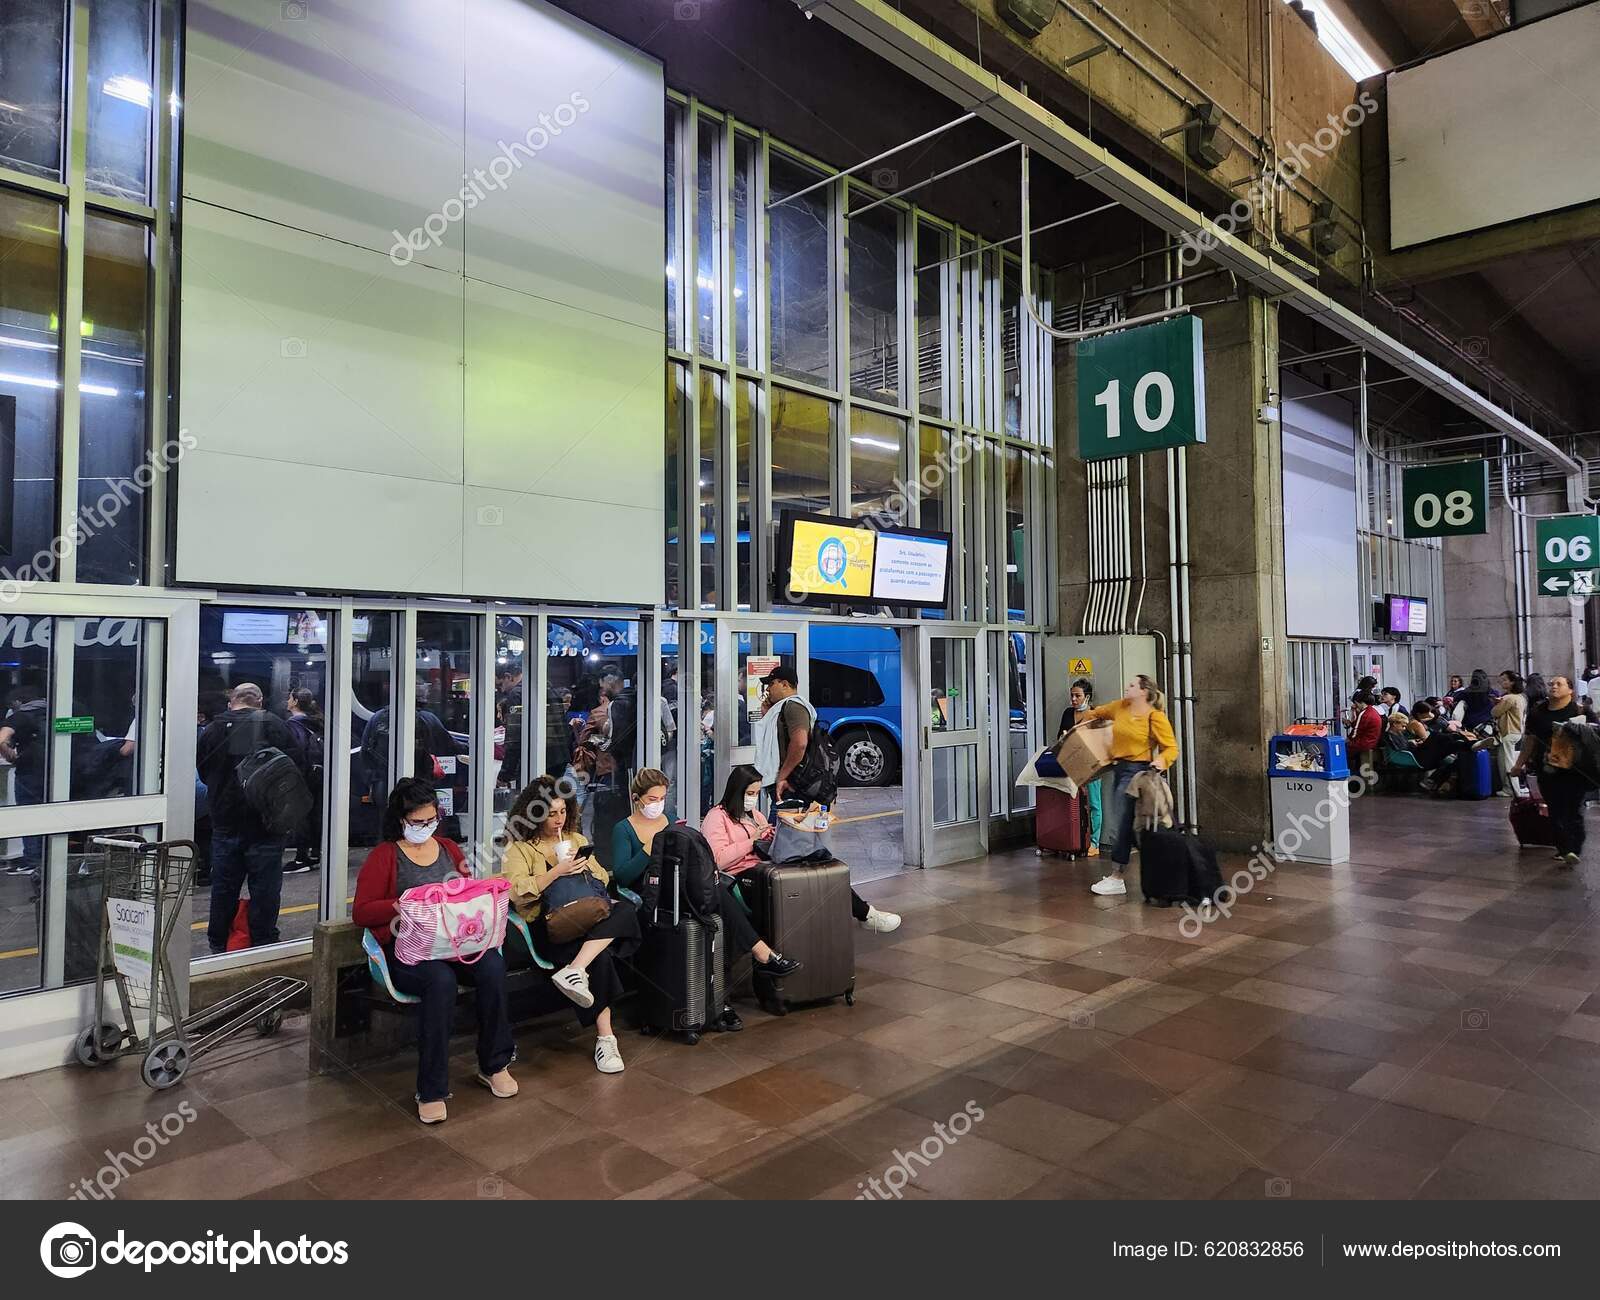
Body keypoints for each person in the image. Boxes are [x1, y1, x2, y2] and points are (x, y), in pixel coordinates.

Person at [351, 778, 516, 1123]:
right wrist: (403, 905)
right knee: (439, 983)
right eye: (417, 822)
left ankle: (495, 1063)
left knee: (492, 967)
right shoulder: (386, 856)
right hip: (409, 950)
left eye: (431, 821)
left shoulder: (447, 848)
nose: (425, 828)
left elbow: (465, 892)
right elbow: (362, 912)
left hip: (453, 943)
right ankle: (431, 1089)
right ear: (401, 820)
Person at [502, 776, 639, 1073]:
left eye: (563, 811)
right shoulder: (521, 848)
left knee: (626, 910)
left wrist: (586, 866)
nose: (558, 819)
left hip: (586, 914)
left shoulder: (575, 839)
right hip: (547, 924)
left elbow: (603, 878)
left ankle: (575, 971)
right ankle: (606, 1038)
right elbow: (514, 891)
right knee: (599, 955)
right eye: (551, 813)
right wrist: (556, 872)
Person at [752, 668, 901, 932]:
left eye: (771, 684)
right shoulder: (783, 709)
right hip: (795, 794)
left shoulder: (793, 707)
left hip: (796, 794)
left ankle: (864, 914)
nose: (767, 689)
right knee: (793, 854)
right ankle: (852, 914)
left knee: (809, 856)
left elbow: (798, 743)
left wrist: (784, 775)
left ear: (784, 684)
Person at [195, 683, 305, 952]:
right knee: (265, 889)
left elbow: (203, 769)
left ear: (231, 701)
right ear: (260, 701)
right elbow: (296, 767)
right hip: (267, 823)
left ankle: (218, 942)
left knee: (223, 888)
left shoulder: (213, 729)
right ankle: (263, 940)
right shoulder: (276, 726)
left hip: (225, 823)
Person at [1079, 675, 1179, 897]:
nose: (1127, 687)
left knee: (1122, 824)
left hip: (1138, 772)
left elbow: (1171, 747)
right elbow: (1095, 713)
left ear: (1144, 691)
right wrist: (1084, 719)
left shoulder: (1155, 716)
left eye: (1133, 685)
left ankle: (1118, 876)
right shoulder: (1120, 707)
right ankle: (1163, 869)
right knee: (1134, 827)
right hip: (1119, 769)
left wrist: (1161, 761)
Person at [0, 670, 49, 878]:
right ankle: (50, 858)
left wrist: (12, 756)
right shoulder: (59, 709)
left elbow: (1, 739)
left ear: (19, 702)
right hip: (59, 772)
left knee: (29, 815)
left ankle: (32, 861)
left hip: (29, 772)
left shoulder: (21, 716)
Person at [1515, 674, 1591, 807]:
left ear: (1570, 690)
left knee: (1574, 813)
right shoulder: (1538, 712)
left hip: (1574, 771)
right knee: (1553, 811)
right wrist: (1518, 764)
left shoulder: (1580, 711)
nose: (1554, 687)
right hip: (1546, 770)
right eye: (1551, 684)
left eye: (1559, 684)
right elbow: (1530, 739)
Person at [1058, 677, 1102, 858]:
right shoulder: (1068, 713)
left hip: (1092, 765)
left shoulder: (1095, 714)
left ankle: (1094, 842)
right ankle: (1074, 839)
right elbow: (1059, 737)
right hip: (1071, 764)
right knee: (1072, 802)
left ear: (1087, 697)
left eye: (1077, 696)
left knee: (1094, 804)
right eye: (1072, 696)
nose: (1073, 700)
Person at [608, 767, 672, 886]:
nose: (657, 804)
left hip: (675, 890)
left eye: (662, 799)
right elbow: (622, 877)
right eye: (652, 799)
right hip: (645, 894)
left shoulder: (672, 820)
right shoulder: (623, 829)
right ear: (636, 799)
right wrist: (648, 849)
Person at [284, 688, 324, 872]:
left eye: (290, 698)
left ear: (295, 701)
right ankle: (315, 853)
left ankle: (301, 858)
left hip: (302, 775)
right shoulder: (317, 721)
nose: (287, 700)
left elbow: (296, 751)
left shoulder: (293, 724)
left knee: (301, 816)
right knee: (315, 814)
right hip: (318, 773)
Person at [1492, 671, 1528, 797]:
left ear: (1512, 682)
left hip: (1508, 732)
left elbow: (1495, 713)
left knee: (1508, 763)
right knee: (1505, 761)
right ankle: (1509, 788)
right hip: (1517, 732)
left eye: (1505, 680)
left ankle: (1513, 790)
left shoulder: (1509, 698)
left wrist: (1496, 704)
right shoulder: (1521, 697)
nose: (1502, 682)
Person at [1346, 690, 1383, 782]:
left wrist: (1347, 741)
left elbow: (1355, 732)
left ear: (1360, 702)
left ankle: (1346, 776)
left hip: (1363, 743)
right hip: (1371, 741)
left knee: (1340, 751)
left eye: (1356, 703)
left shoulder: (1364, 714)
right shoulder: (1373, 711)